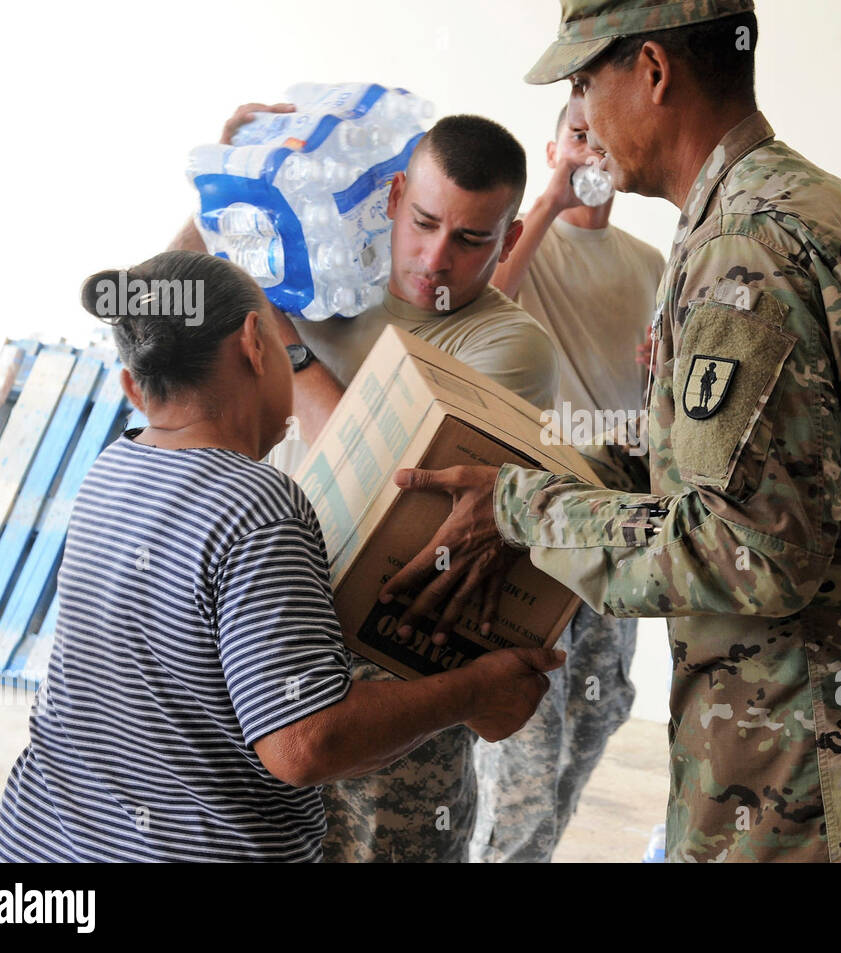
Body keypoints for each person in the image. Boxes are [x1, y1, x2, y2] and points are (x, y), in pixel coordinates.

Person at [379, 0, 841, 862]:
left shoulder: (747, 249)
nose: (580, 114)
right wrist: (549, 480)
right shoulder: (809, 206)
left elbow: (748, 550)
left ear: (653, 71)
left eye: (585, 80)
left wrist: (524, 511)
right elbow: (709, 464)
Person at [0, 250, 562, 863]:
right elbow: (303, 744)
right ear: (257, 343)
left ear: (135, 384)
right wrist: (471, 692)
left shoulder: (112, 469)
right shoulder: (258, 503)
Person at [171, 112, 561, 863]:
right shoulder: (320, 282)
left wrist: (279, 332)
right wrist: (231, 187)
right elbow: (166, 293)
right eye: (423, 222)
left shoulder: (508, 345)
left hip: (386, 685)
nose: (436, 257)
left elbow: (376, 465)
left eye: (472, 239)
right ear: (390, 198)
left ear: (510, 241)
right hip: (262, 648)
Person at [470, 105, 665, 862]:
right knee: (524, 743)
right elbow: (479, 315)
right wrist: (548, 200)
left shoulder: (649, 262)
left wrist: (659, 380)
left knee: (601, 713)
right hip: (525, 529)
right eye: (577, 135)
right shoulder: (520, 245)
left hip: (611, 528)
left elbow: (651, 406)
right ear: (554, 148)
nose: (592, 149)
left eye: (603, 134)